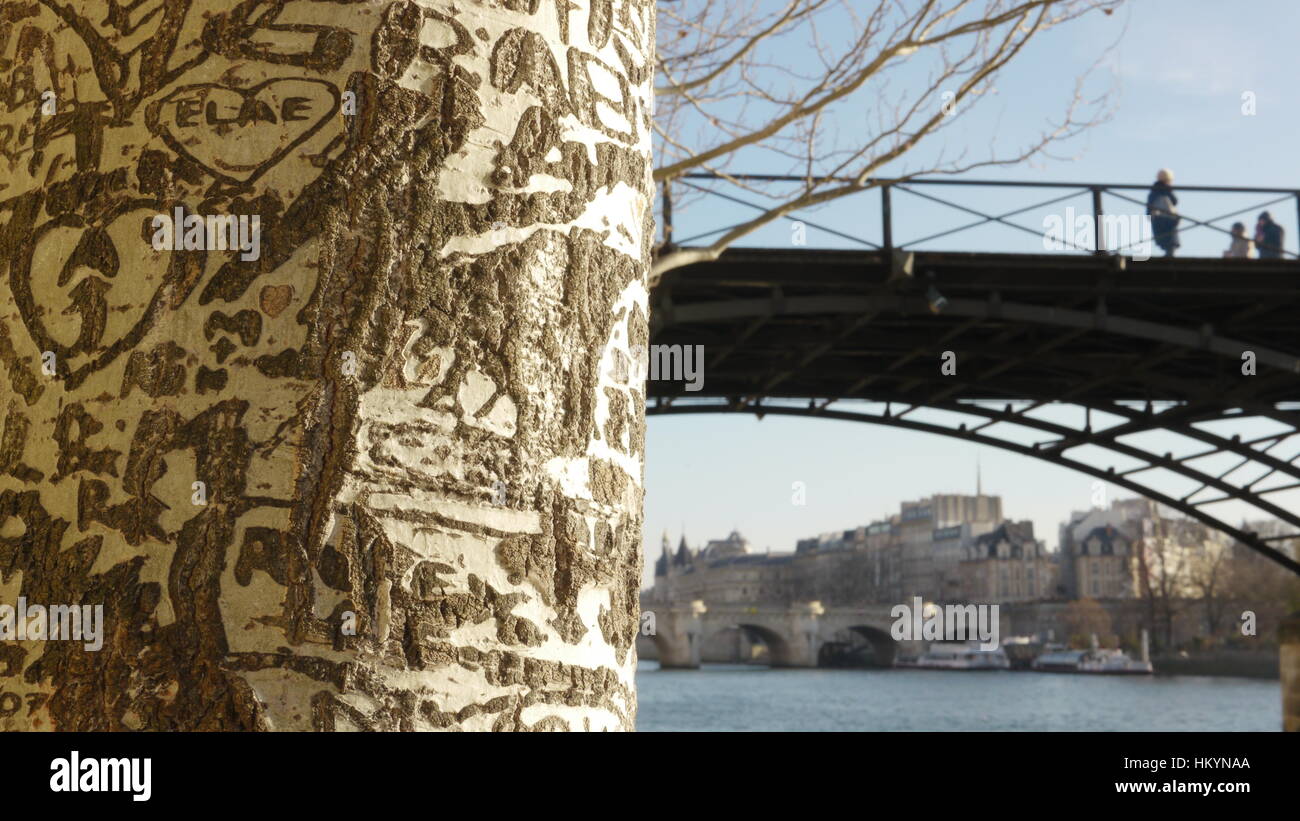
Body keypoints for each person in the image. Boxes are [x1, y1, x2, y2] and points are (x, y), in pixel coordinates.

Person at [1146, 168, 1180, 257]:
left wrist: (1148, 216)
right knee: (1170, 239)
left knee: (1165, 239)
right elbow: (1175, 201)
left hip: (1159, 218)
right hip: (1167, 218)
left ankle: (1169, 254)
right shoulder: (1166, 191)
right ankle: (1170, 255)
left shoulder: (1154, 191)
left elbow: (1149, 205)